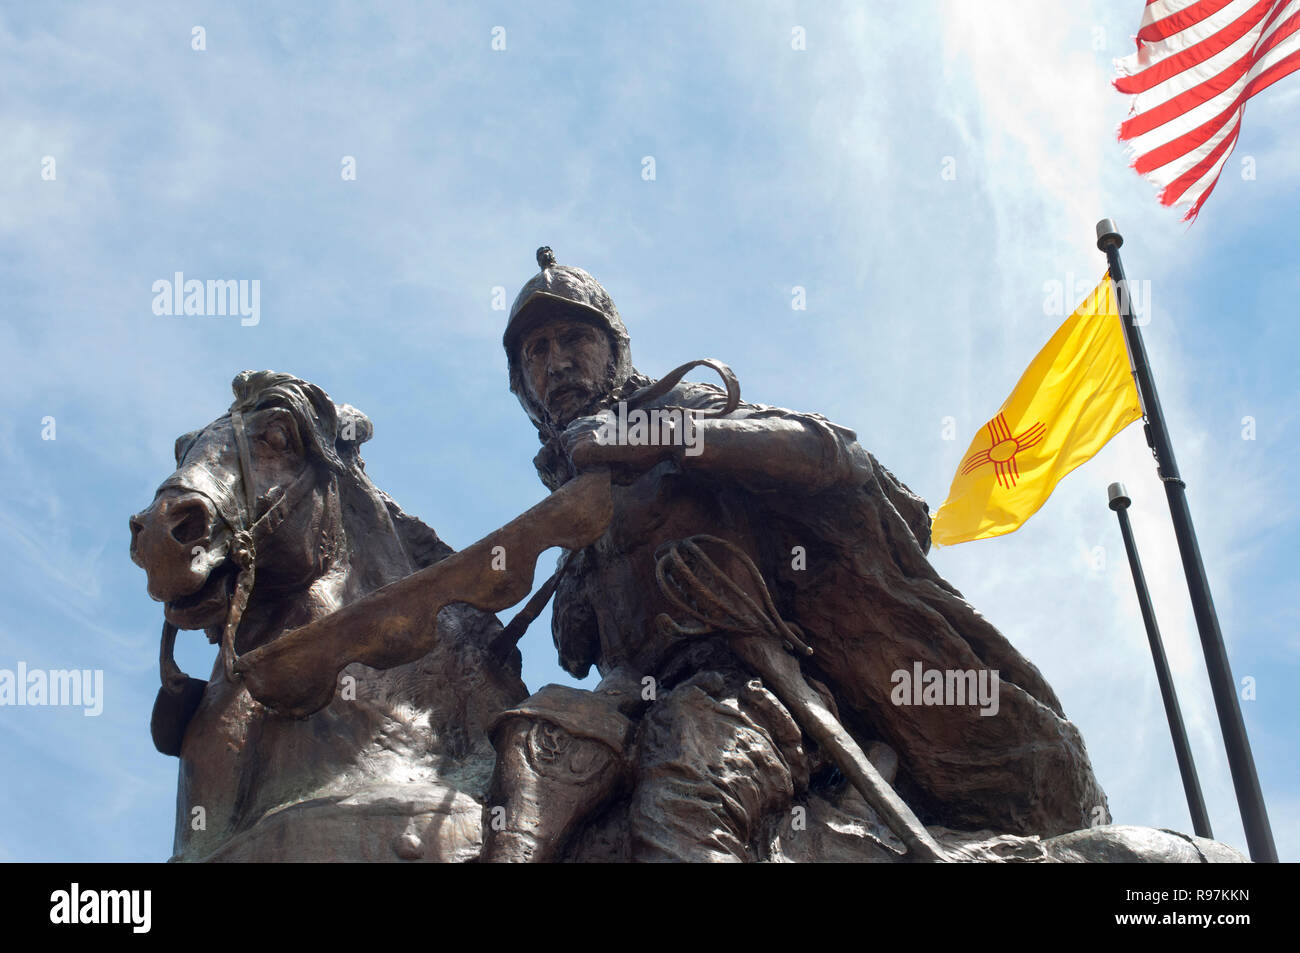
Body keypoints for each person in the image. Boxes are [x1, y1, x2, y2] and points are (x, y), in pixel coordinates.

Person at [482, 247, 1108, 863]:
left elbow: (833, 451)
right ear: (520, 385)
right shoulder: (573, 500)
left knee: (682, 805)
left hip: (745, 690)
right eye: (535, 353)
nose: (556, 364)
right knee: (525, 764)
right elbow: (579, 646)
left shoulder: (673, 410)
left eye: (573, 340)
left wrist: (656, 437)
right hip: (626, 706)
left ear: (614, 350)